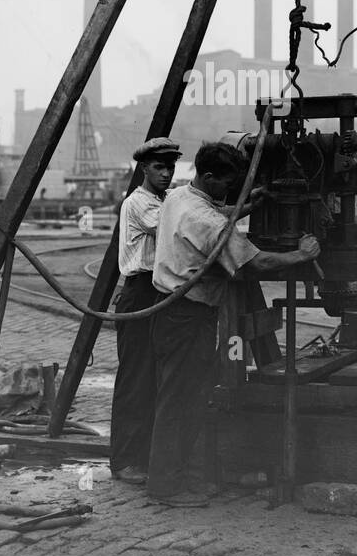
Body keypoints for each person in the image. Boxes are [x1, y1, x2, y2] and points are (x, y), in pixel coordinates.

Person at [147, 141, 320, 508]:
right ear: (208, 176)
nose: (231, 189)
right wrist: (300, 255)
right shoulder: (209, 223)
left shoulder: (180, 196)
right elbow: (254, 263)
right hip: (188, 317)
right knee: (181, 400)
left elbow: (214, 213)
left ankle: (178, 477)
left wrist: (247, 203)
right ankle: (166, 487)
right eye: (227, 183)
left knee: (183, 396)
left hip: (171, 309)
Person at [110, 137, 183, 485]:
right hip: (140, 293)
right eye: (159, 167)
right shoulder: (139, 203)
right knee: (135, 379)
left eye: (170, 167)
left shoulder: (166, 200)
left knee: (154, 377)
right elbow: (177, 228)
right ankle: (124, 461)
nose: (166, 173)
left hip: (157, 293)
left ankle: (146, 457)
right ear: (144, 169)